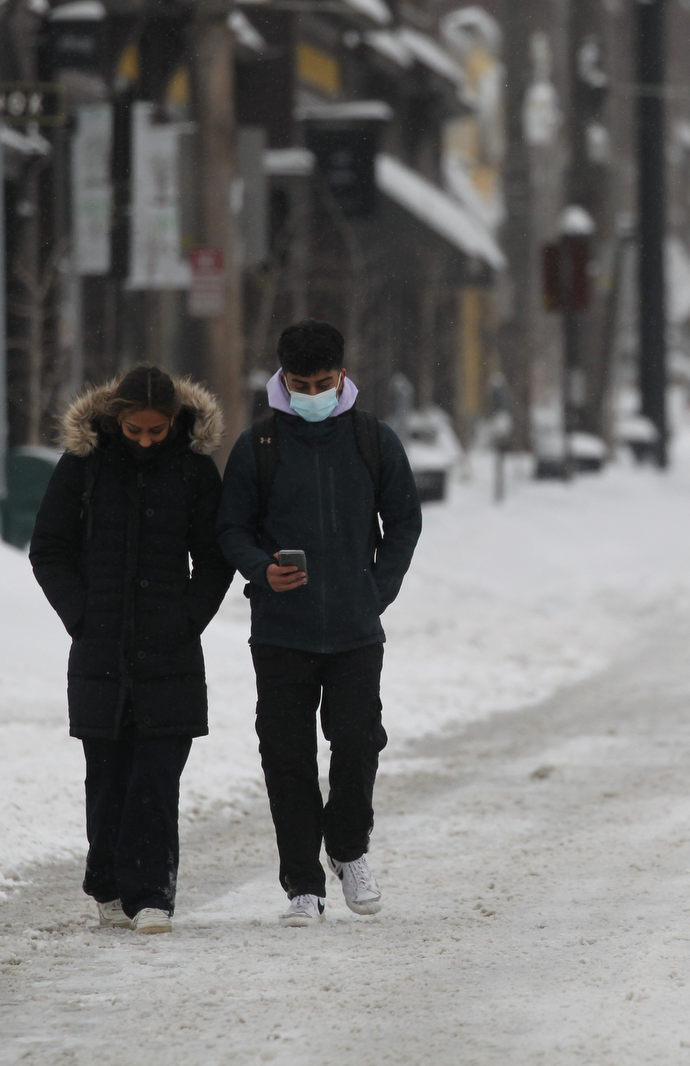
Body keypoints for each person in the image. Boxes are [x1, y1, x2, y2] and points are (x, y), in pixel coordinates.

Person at [216, 320, 423, 927]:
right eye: (300, 383)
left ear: (342, 375)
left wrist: (375, 590)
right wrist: (261, 569)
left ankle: (349, 849)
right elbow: (231, 529)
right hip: (282, 633)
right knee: (287, 756)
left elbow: (404, 523)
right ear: (282, 379)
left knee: (358, 745)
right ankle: (302, 883)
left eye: (323, 382)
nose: (312, 393)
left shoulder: (373, 440)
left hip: (356, 630)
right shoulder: (259, 448)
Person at [28, 365, 233, 935]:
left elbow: (215, 556)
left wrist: (188, 618)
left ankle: (152, 895)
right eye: (135, 430)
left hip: (170, 652)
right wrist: (82, 615)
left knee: (156, 774)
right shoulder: (84, 466)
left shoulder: (194, 472)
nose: (145, 441)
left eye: (157, 431)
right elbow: (49, 548)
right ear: (116, 420)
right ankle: (109, 884)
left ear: (175, 423)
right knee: (108, 774)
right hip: (102, 652)